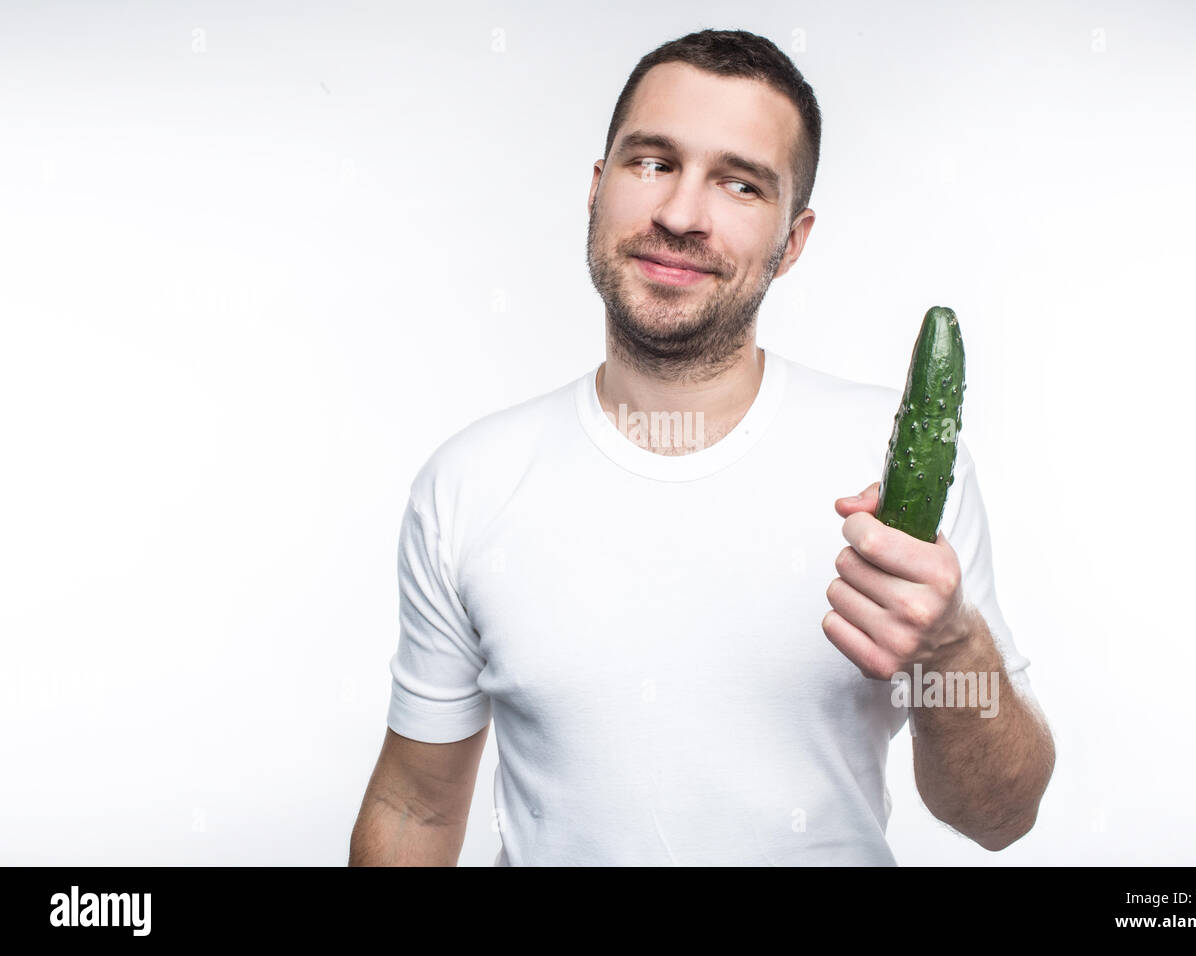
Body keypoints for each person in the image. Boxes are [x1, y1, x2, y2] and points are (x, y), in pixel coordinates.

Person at [349, 28, 1054, 867]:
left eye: (741, 184)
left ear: (792, 241)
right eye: (651, 162)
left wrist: (949, 645)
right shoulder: (469, 482)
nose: (680, 215)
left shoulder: (890, 474)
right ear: (596, 186)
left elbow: (999, 817)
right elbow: (414, 808)